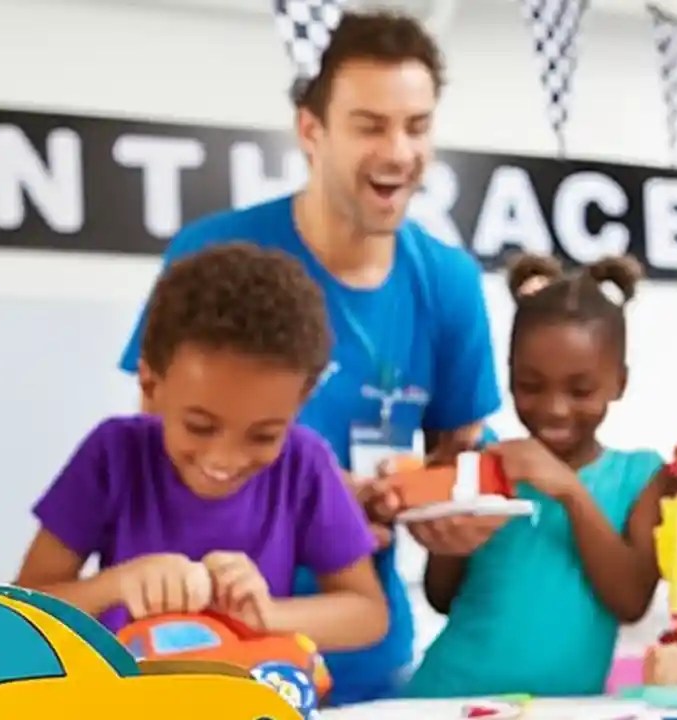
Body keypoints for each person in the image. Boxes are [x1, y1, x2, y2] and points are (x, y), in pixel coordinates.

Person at [117, 10, 502, 703]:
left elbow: (462, 454)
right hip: (205, 662)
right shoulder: (210, 256)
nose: (398, 151)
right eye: (370, 125)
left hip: (362, 662)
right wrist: (313, 500)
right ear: (311, 130)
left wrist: (451, 506)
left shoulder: (449, 281)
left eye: (416, 126)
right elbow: (155, 448)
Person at [18, 243, 389, 652]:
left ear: (302, 399)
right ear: (150, 384)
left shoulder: (304, 465)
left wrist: (266, 615)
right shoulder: (113, 455)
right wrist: (117, 585)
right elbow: (20, 611)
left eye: (263, 435)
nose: (223, 459)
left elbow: (368, 614)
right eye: (199, 426)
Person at [402, 254, 666, 697]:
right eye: (530, 385)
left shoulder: (640, 476)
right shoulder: (485, 460)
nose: (554, 407)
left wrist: (569, 490)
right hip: (448, 699)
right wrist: (448, 516)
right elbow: (441, 597)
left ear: (618, 382)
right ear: (509, 378)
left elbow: (631, 601)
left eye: (580, 390)